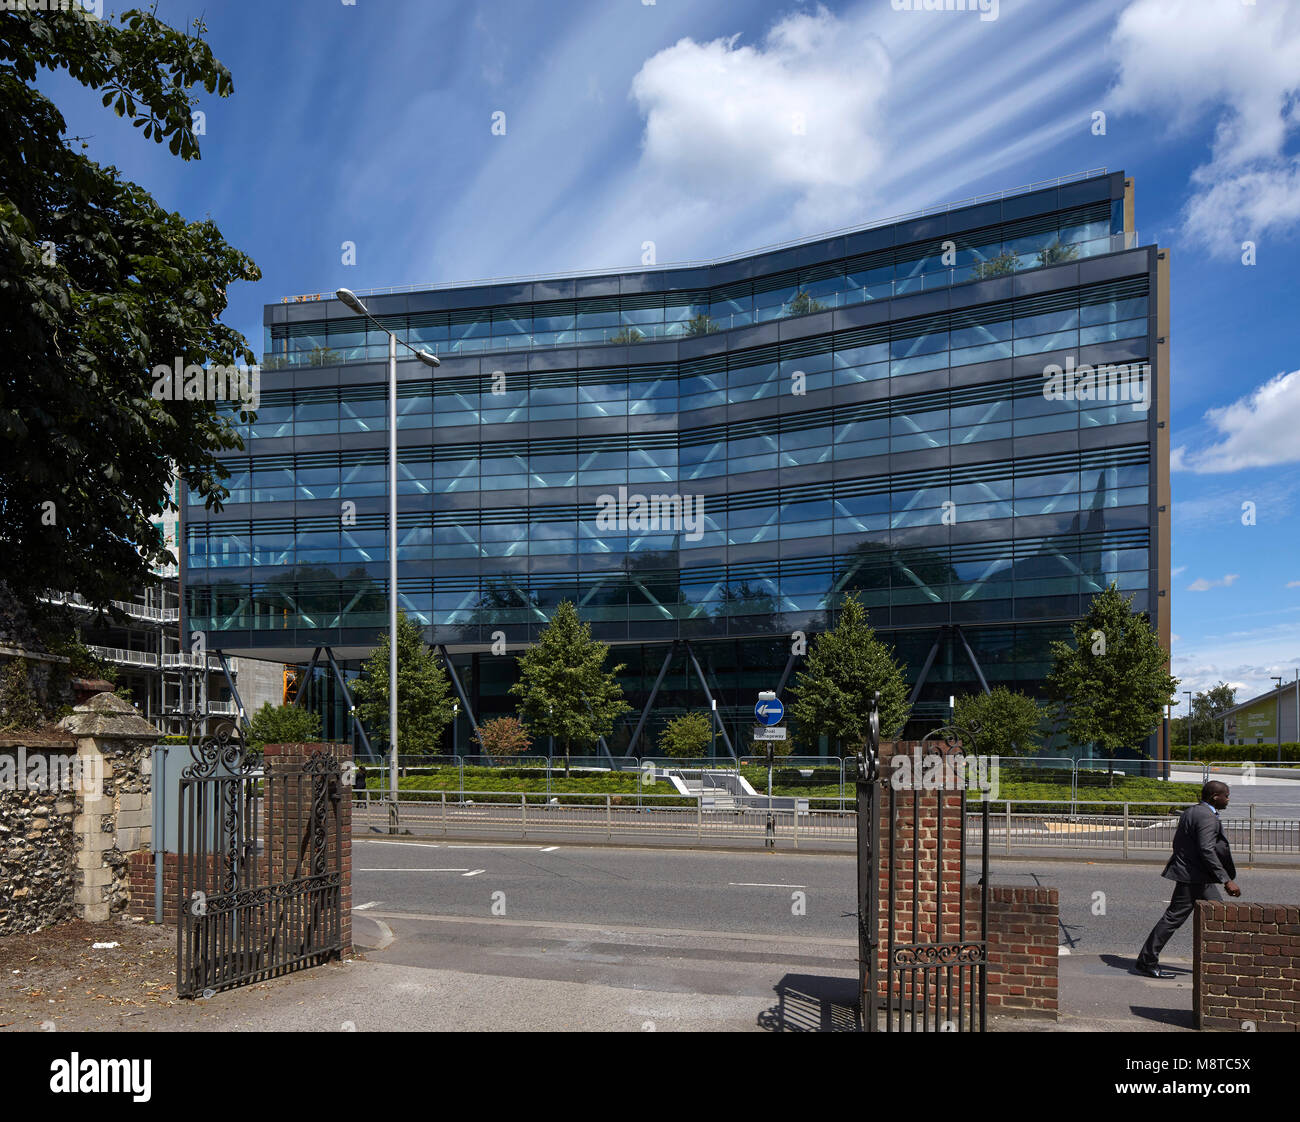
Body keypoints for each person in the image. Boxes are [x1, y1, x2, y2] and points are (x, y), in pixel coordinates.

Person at [1135, 780, 1241, 978]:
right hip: (1194, 877)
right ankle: (1146, 961)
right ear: (1214, 797)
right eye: (1225, 796)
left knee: (1216, 913)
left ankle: (1216, 962)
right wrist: (1226, 879)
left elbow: (1180, 843)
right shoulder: (1207, 817)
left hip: (1197, 875)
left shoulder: (1191, 811)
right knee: (1175, 918)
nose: (1228, 799)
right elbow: (1206, 849)